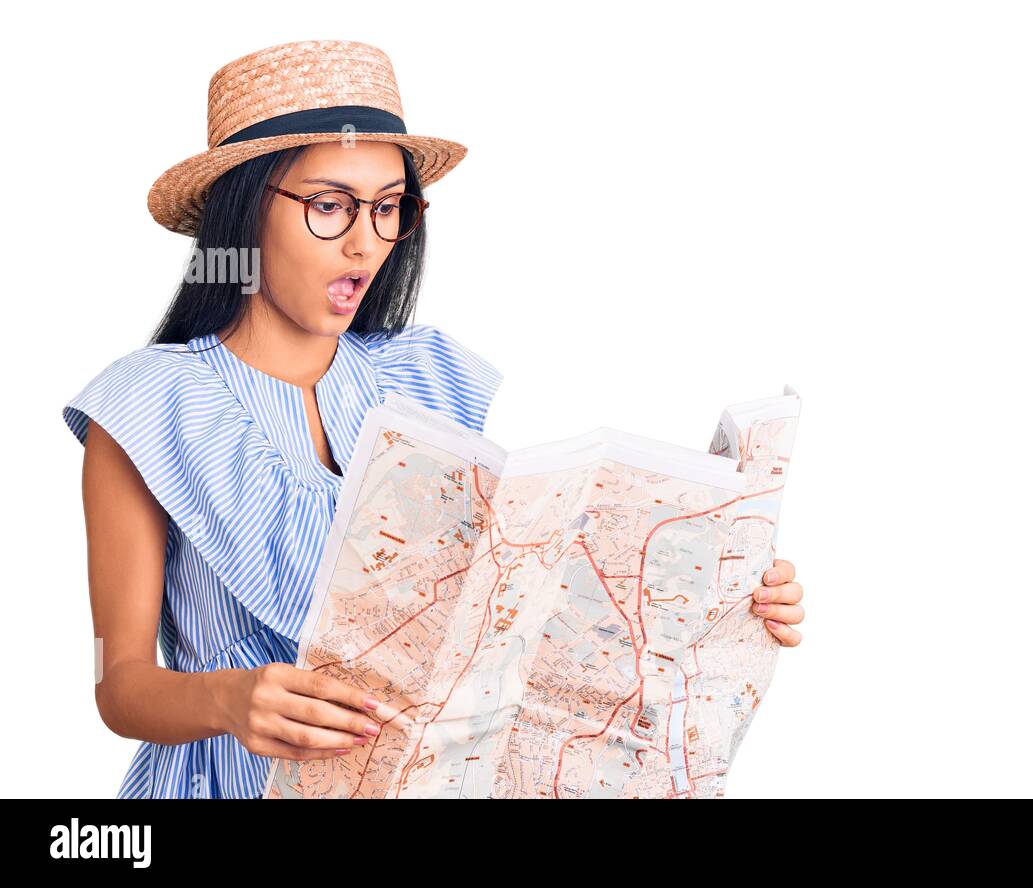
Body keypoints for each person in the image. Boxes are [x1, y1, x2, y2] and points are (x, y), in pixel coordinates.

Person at [62, 39, 807, 799]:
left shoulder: (425, 378)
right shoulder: (150, 401)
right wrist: (226, 698)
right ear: (243, 210)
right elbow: (118, 686)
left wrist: (722, 603)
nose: (367, 242)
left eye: (389, 207)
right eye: (329, 206)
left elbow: (509, 628)